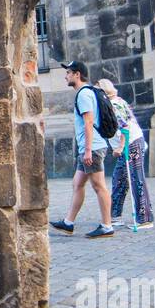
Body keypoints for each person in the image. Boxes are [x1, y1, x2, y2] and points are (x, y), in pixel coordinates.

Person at [50, 60, 115, 238]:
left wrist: (86, 151)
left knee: (98, 186)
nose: (66, 76)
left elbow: (88, 122)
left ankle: (107, 225)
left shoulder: (84, 95)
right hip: (90, 148)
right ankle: (68, 223)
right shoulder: (86, 93)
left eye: (69, 73)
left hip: (92, 148)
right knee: (77, 183)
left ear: (77, 74)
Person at [98, 78, 154, 229]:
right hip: (132, 142)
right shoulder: (117, 101)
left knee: (136, 179)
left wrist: (120, 147)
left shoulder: (114, 105)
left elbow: (125, 127)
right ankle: (115, 216)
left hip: (131, 143)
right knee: (119, 179)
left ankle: (144, 219)